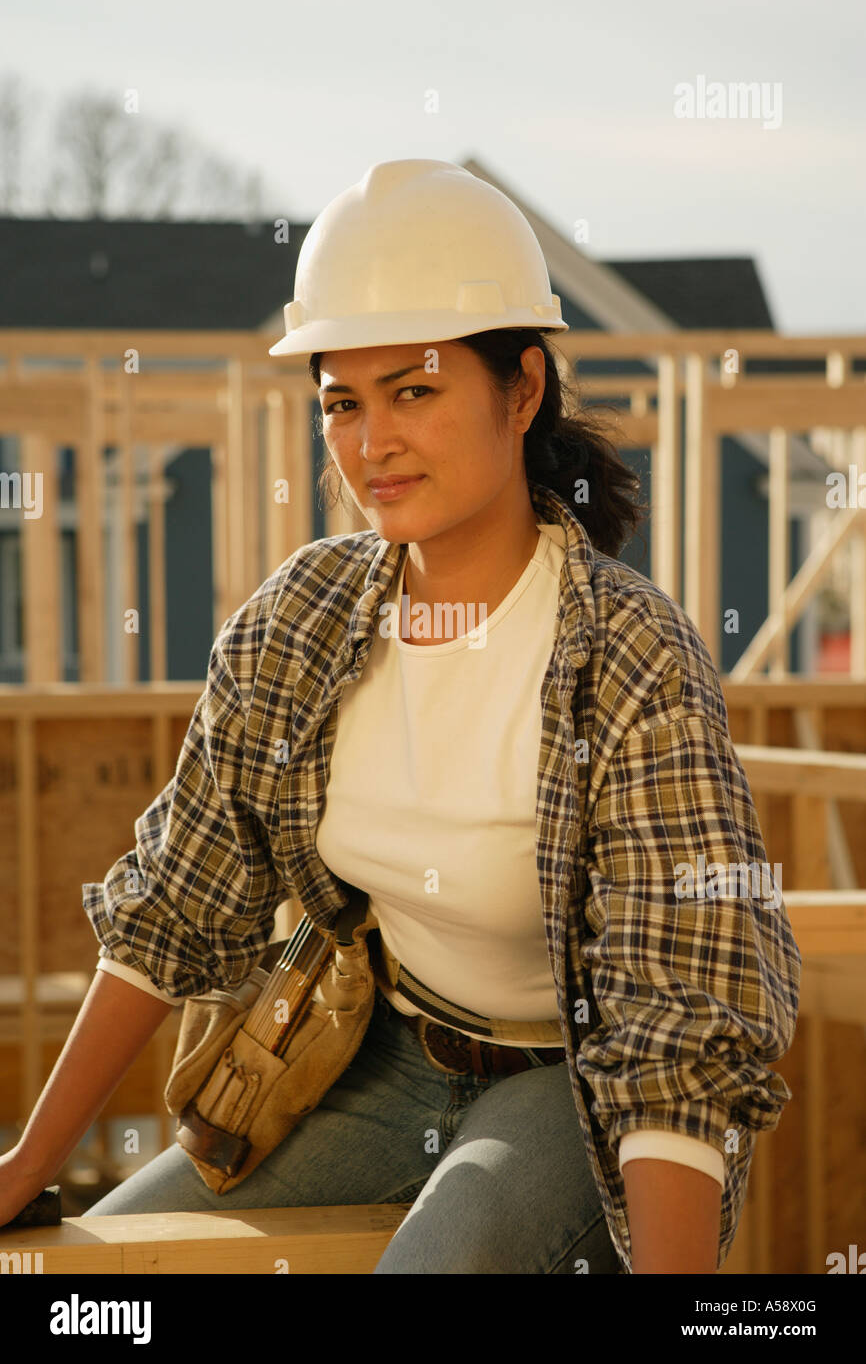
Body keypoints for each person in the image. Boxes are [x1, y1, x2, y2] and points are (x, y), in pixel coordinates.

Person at [0, 159, 801, 1274]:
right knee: (113, 1263)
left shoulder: (626, 656)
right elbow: (172, 904)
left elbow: (675, 1023)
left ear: (519, 391)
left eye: (413, 390)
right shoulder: (301, 622)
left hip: (563, 1086)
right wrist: (29, 1159)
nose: (371, 443)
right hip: (367, 1055)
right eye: (342, 400)